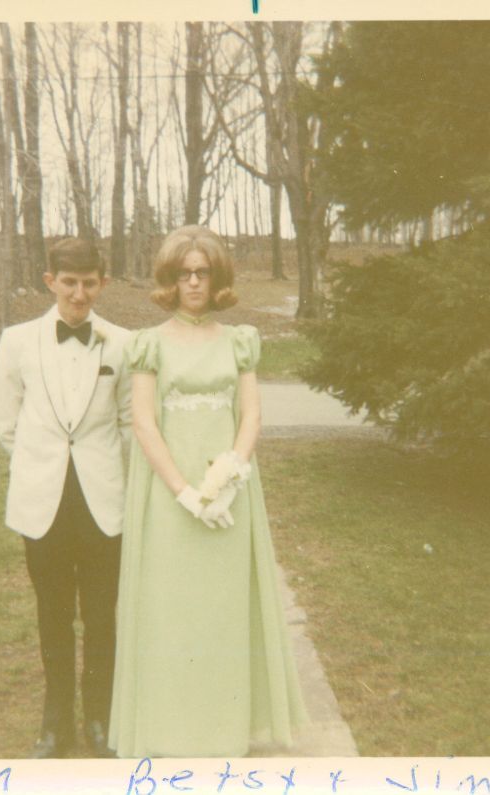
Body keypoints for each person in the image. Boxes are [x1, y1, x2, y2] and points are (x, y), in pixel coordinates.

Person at [109, 226, 308, 758]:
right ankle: (170, 729)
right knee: (171, 609)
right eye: (184, 273)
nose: (194, 282)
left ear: (217, 278)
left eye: (203, 273)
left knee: (220, 611)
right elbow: (145, 425)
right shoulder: (149, 343)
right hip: (170, 497)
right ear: (169, 280)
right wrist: (185, 493)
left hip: (230, 497)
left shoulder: (238, 340)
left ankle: (221, 729)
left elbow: (252, 415)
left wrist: (228, 477)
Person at [0, 237, 131, 758]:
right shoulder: (17, 340)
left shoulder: (121, 344)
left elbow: (129, 423)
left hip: (101, 503)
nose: (78, 294)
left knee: (100, 613)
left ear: (103, 283)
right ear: (50, 282)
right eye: (68, 283)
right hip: (42, 501)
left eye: (89, 283)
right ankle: (56, 724)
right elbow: (5, 421)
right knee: (52, 612)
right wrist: (40, 465)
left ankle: (99, 718)